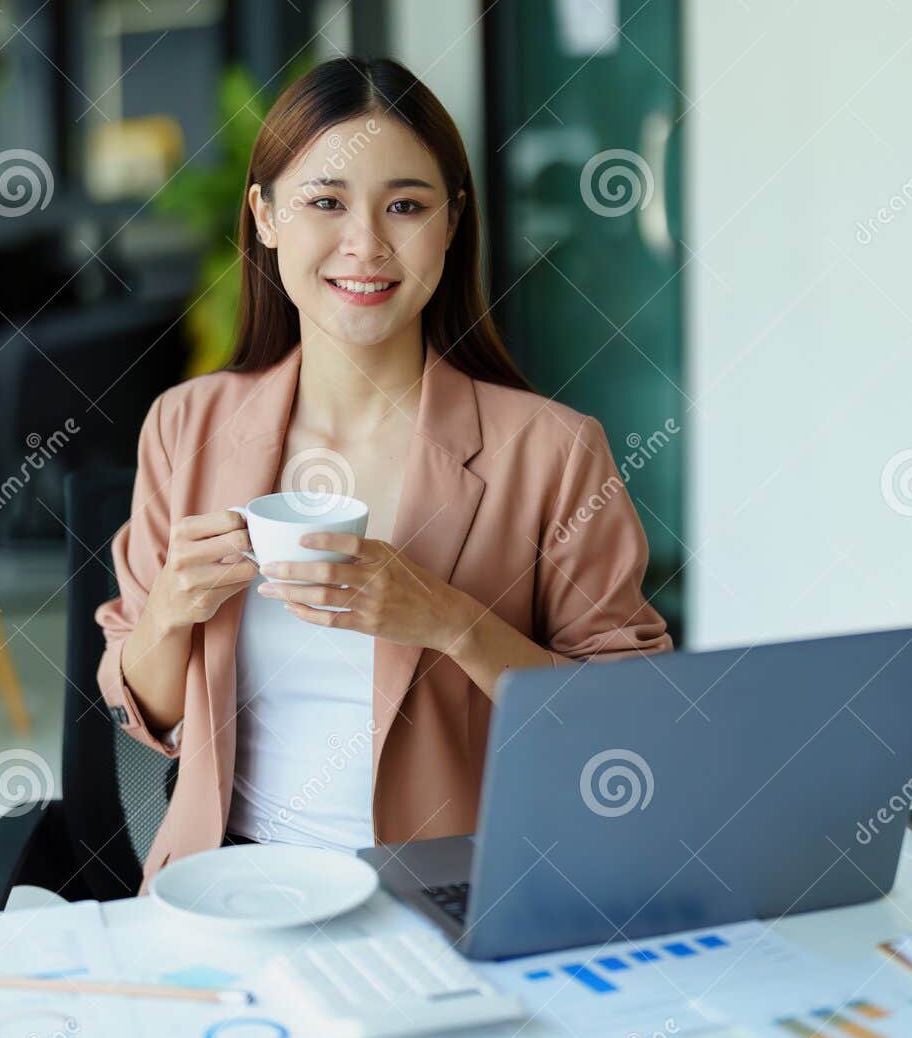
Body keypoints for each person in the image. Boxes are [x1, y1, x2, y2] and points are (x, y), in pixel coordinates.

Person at [95, 55, 671, 893]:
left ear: (450, 223)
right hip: (227, 890)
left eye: (405, 205)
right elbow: (148, 713)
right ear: (264, 217)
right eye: (324, 202)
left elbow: (626, 726)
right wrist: (170, 615)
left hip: (459, 894)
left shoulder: (552, 451)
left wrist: (448, 620)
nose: (365, 244)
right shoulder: (186, 425)